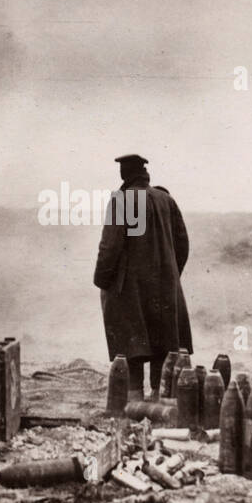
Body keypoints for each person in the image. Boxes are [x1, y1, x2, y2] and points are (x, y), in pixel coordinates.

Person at [94, 154, 192, 400]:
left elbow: (109, 247)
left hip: (130, 290)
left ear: (125, 175)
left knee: (131, 347)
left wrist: (102, 279)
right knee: (163, 345)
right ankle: (160, 399)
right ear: (145, 173)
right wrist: (171, 276)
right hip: (164, 288)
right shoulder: (166, 200)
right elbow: (183, 244)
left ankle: (135, 401)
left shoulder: (122, 200)